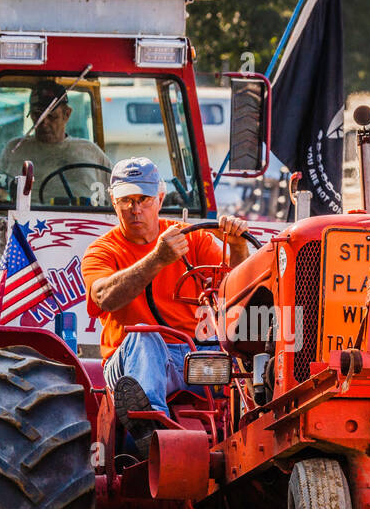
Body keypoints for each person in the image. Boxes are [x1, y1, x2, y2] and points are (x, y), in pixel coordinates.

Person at [82, 158, 250, 453]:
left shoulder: (192, 238)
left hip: (192, 360)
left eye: (144, 199)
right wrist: (157, 259)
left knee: (239, 348)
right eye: (127, 200)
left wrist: (237, 246)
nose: (136, 209)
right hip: (131, 362)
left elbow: (236, 288)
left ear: (159, 198)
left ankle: (249, 429)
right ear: (113, 201)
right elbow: (103, 297)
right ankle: (150, 430)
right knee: (145, 335)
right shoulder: (102, 251)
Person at [0, 79, 111, 204]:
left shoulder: (90, 152)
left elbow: (115, 195)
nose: (44, 123)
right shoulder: (15, 149)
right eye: (37, 115)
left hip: (80, 222)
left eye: (51, 116)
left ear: (66, 114)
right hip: (25, 221)